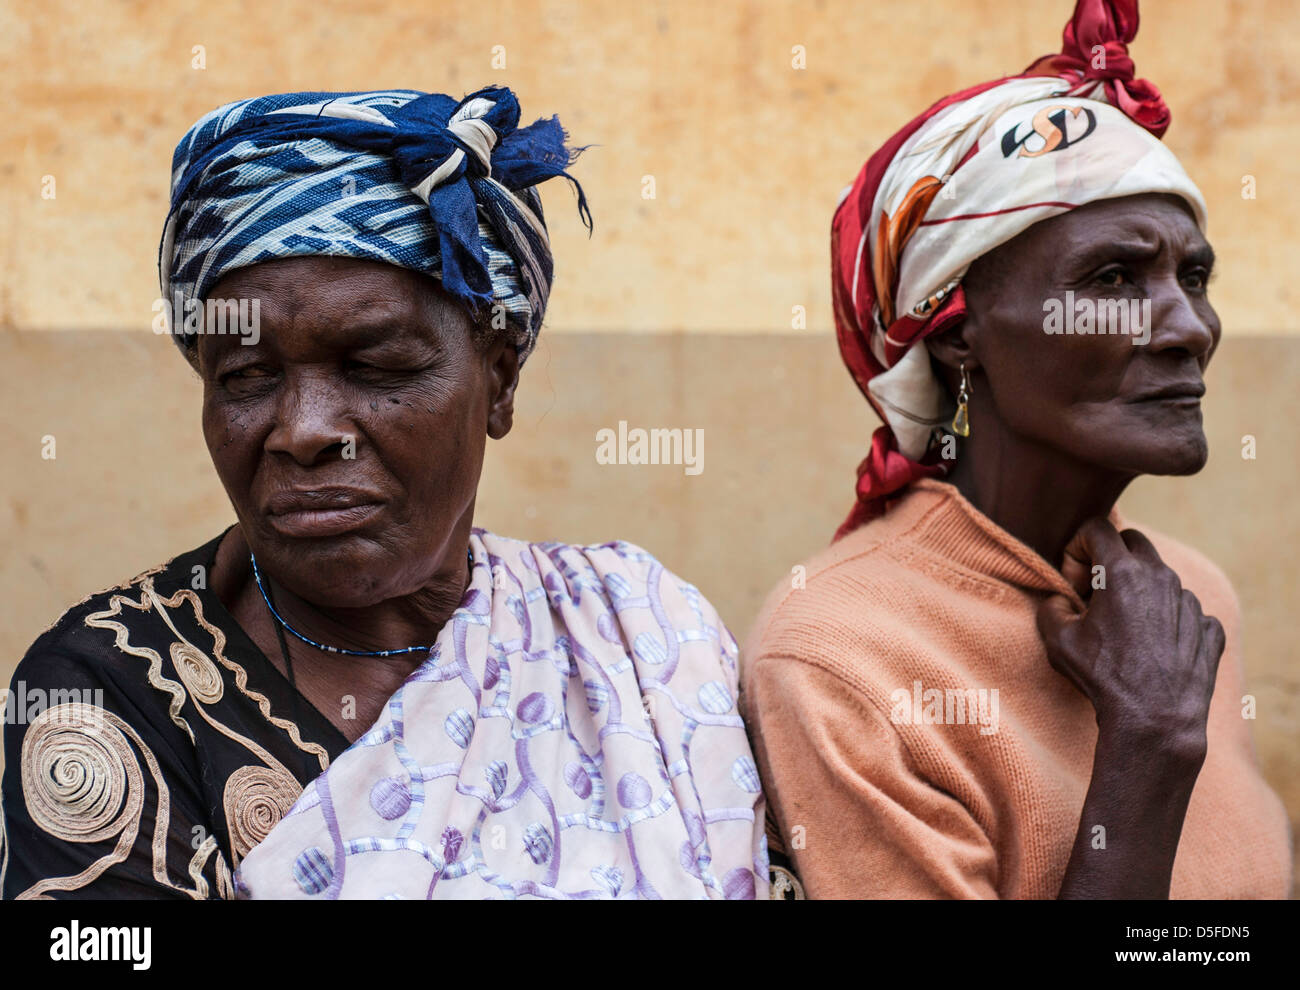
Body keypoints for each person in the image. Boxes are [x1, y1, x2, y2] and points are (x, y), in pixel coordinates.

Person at [1, 86, 767, 900]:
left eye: (376, 368)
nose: (302, 429)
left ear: (499, 383)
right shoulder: (113, 691)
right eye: (246, 378)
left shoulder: (639, 636)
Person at [742, 0, 1291, 898]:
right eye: (1113, 279)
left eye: (1193, 277)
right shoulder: (843, 661)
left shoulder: (1186, 597)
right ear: (957, 333)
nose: (1189, 327)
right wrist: (1147, 744)